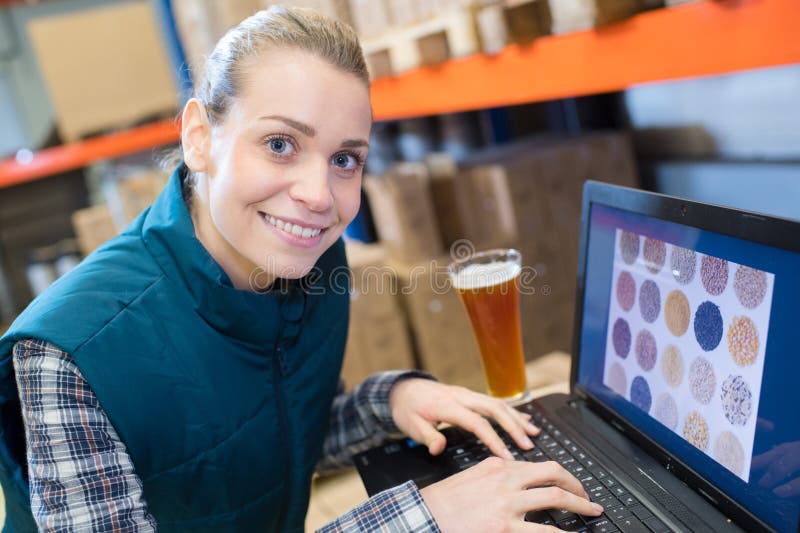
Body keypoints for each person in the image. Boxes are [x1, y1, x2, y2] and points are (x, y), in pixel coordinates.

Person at [0, 6, 602, 532]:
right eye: (281, 144)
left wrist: (390, 400)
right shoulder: (70, 354)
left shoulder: (303, 264)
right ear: (199, 137)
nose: (319, 195)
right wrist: (424, 519)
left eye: (345, 159)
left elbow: (266, 442)